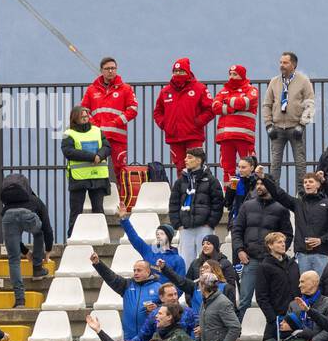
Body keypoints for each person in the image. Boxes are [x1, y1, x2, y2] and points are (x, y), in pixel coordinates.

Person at [230, 175, 293, 313]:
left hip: (271, 262)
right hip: (250, 260)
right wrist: (239, 250)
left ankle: (274, 331)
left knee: (272, 300)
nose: (259, 186)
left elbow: (288, 235)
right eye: (257, 184)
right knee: (244, 301)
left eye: (262, 184)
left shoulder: (281, 209)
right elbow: (237, 230)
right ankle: (236, 332)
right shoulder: (247, 205)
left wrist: (278, 252)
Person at [82, 57, 139, 206]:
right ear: (101, 70)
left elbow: (133, 110)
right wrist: (95, 126)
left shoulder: (125, 89)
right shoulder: (91, 90)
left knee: (120, 170)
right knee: (97, 169)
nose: (111, 71)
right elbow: (84, 111)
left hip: (118, 138)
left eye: (113, 68)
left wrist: (116, 122)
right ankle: (100, 203)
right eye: (107, 68)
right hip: (98, 138)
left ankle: (122, 203)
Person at [0, 172, 53, 307]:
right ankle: (37, 269)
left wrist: (25, 252)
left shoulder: (7, 206)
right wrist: (48, 250)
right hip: (28, 217)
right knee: (39, 232)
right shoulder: (35, 200)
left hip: (8, 218)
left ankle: (20, 300)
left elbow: (13, 237)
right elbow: (47, 227)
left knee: (13, 260)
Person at [168, 146, 225, 272]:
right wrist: (178, 224)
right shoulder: (180, 181)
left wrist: (210, 223)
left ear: (199, 160)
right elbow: (173, 203)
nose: (185, 160)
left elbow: (218, 203)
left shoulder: (211, 180)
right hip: (186, 228)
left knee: (206, 262)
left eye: (189, 157)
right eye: (186, 157)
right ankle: (188, 289)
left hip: (204, 228)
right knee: (186, 261)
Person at [262, 51, 316, 182]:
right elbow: (267, 104)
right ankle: (274, 194)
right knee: (275, 164)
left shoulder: (303, 81)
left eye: (285, 62)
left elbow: (310, 103)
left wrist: (302, 124)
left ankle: (301, 195)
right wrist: (268, 124)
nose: (282, 65)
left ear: (294, 64)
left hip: (296, 126)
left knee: (300, 164)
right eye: (281, 62)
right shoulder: (274, 82)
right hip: (277, 127)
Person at [153, 57, 214, 172]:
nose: (177, 74)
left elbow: (210, 109)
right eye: (175, 72)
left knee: (196, 167)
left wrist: (198, 122)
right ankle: (183, 190)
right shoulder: (165, 91)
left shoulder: (200, 89)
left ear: (188, 72)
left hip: (194, 136)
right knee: (180, 168)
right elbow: (157, 112)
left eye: (181, 71)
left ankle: (197, 189)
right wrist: (164, 124)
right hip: (174, 137)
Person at [61, 104, 110, 236]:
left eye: (86, 116)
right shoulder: (68, 134)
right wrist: (92, 157)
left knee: (99, 210)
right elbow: (68, 151)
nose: (85, 118)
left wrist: (100, 155)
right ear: (74, 118)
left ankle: (101, 235)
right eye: (82, 116)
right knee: (76, 211)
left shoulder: (97, 131)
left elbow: (107, 147)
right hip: (79, 178)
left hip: (97, 177)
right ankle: (72, 237)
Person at [211, 64, 260, 180]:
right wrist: (231, 108)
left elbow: (246, 102)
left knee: (248, 167)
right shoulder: (223, 91)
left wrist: (227, 101)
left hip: (244, 136)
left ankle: (249, 193)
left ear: (242, 76)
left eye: (235, 74)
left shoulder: (251, 90)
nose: (232, 77)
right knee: (227, 169)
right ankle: (229, 194)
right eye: (230, 74)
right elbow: (214, 106)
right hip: (225, 136)